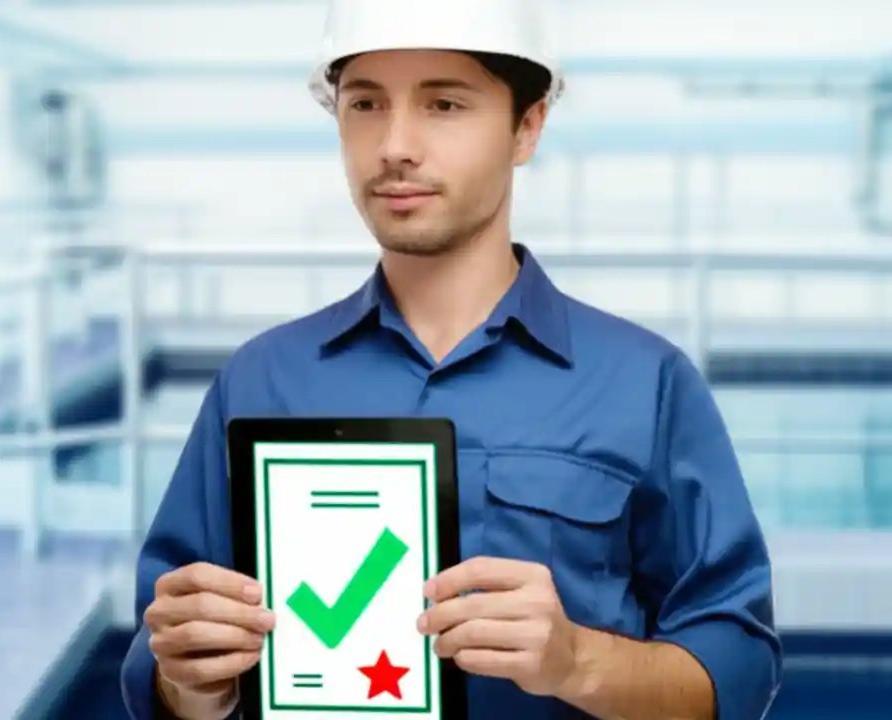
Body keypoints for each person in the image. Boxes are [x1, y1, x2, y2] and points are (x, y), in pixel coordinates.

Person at [120, 0, 783, 718]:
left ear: (526, 126)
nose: (395, 145)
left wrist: (578, 661)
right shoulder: (260, 382)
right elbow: (165, 672)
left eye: (443, 103)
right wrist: (190, 681)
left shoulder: (644, 384)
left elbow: (738, 672)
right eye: (365, 104)